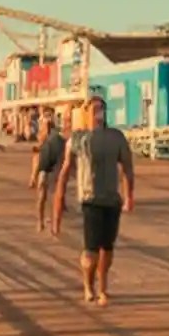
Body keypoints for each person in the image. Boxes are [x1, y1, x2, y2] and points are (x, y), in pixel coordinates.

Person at [53, 96, 134, 306]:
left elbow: (127, 167)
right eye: (94, 109)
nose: (98, 113)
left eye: (101, 109)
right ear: (86, 113)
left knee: (107, 248)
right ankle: (89, 285)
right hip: (90, 199)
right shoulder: (78, 139)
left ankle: (103, 287)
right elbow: (64, 170)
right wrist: (59, 201)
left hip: (112, 200)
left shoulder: (116, 137)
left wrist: (129, 196)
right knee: (91, 249)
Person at [29, 119, 66, 232]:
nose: (42, 129)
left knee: (46, 197)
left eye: (43, 126)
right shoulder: (53, 139)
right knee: (45, 197)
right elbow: (37, 157)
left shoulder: (55, 139)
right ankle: (43, 221)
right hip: (48, 170)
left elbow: (37, 158)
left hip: (49, 170)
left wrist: (33, 177)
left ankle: (45, 221)